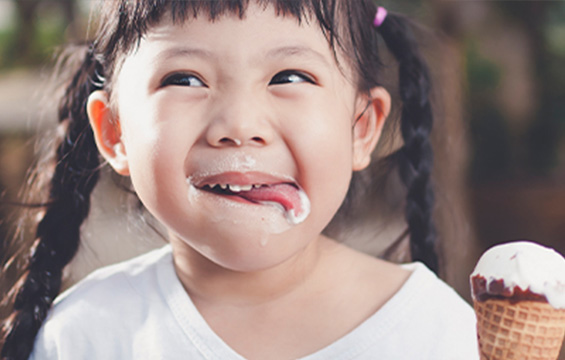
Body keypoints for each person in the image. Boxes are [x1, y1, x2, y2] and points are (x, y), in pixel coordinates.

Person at [1, 1, 479, 359]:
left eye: (289, 76)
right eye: (185, 80)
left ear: (360, 128)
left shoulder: (437, 332)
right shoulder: (84, 337)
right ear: (115, 131)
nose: (239, 124)